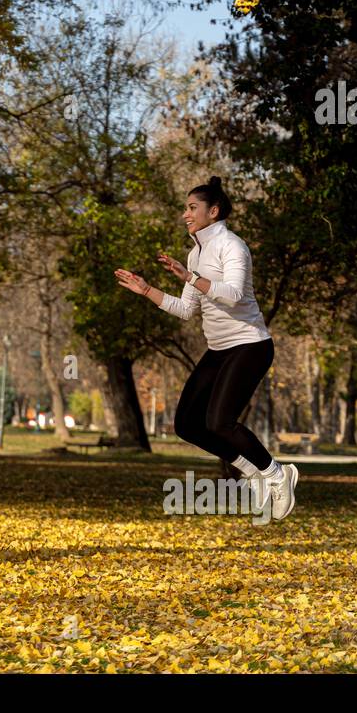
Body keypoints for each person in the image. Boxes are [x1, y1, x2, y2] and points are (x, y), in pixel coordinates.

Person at [114, 176, 298, 520]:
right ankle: (252, 470)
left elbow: (233, 294)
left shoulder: (232, 246)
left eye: (192, 207)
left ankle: (276, 474)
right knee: (186, 424)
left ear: (213, 211)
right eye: (186, 207)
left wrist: (189, 277)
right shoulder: (195, 253)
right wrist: (147, 289)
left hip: (250, 345)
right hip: (220, 350)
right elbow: (187, 310)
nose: (186, 214)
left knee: (219, 421)